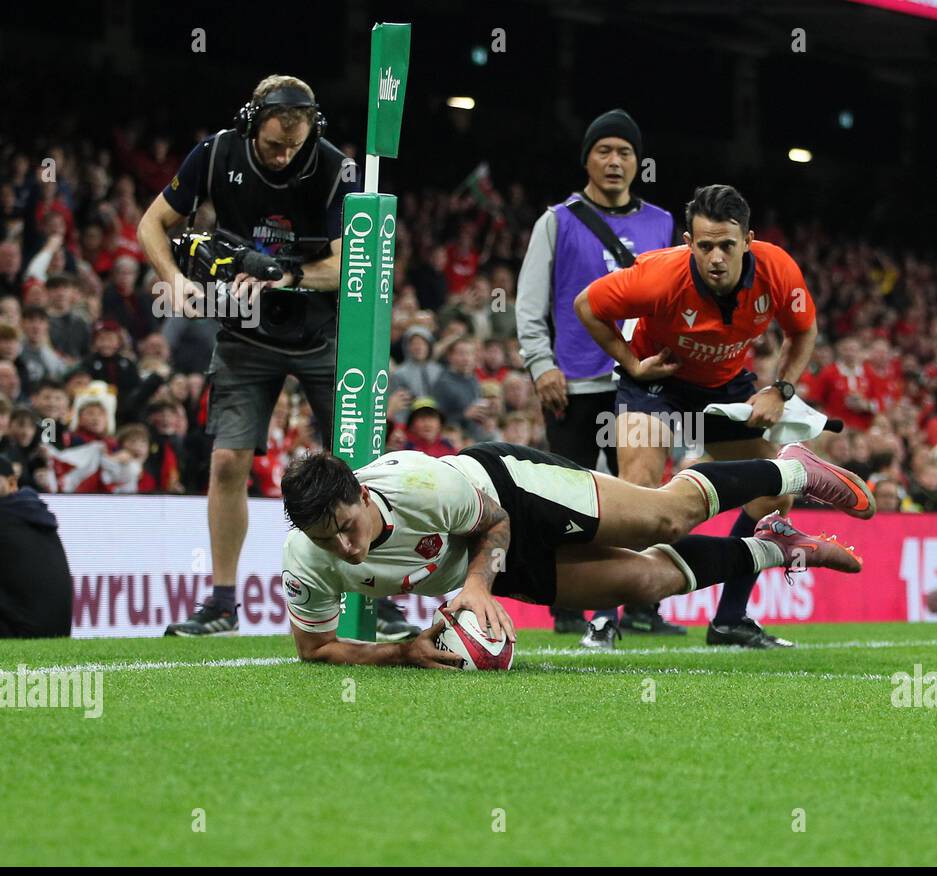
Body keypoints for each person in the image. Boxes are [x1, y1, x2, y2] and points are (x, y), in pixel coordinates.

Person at [136, 75, 416, 640]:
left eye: (296, 143)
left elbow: (349, 265)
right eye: (273, 146)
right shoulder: (215, 154)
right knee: (226, 462)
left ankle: (378, 593)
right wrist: (174, 280)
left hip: (324, 334)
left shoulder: (338, 170)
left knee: (360, 466)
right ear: (250, 126)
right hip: (245, 335)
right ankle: (220, 603)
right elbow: (152, 224)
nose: (286, 154)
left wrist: (285, 273)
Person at [576, 184, 868, 649]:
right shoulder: (657, 277)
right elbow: (587, 307)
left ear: (747, 241)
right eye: (705, 245)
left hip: (724, 391)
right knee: (639, 488)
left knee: (774, 495)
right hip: (657, 384)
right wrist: (631, 363)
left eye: (727, 246)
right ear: (689, 243)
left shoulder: (777, 270)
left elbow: (803, 331)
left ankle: (730, 619)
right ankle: (604, 617)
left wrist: (780, 389)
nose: (716, 257)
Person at [280, 440, 871, 666]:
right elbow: (316, 647)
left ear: (361, 494)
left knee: (663, 517)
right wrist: (403, 652)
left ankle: (794, 467)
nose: (344, 549)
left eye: (345, 527)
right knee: (646, 583)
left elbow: (496, 521)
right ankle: (773, 549)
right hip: (475, 564)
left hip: (507, 492)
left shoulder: (421, 486)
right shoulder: (307, 558)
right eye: (324, 540)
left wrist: (479, 587)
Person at [516, 108, 676, 639]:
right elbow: (530, 305)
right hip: (575, 380)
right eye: (604, 150)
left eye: (625, 152)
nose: (614, 161)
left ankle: (644, 605)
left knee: (644, 494)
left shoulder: (663, 224)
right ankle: (566, 604)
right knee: (568, 498)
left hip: (642, 379)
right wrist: (542, 365)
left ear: (638, 162)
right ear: (586, 158)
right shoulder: (556, 221)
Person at [0, 455, 72, 637]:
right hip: (56, 635)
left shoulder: (7, 517)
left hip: (18, 634)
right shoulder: (34, 513)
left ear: (12, 482)